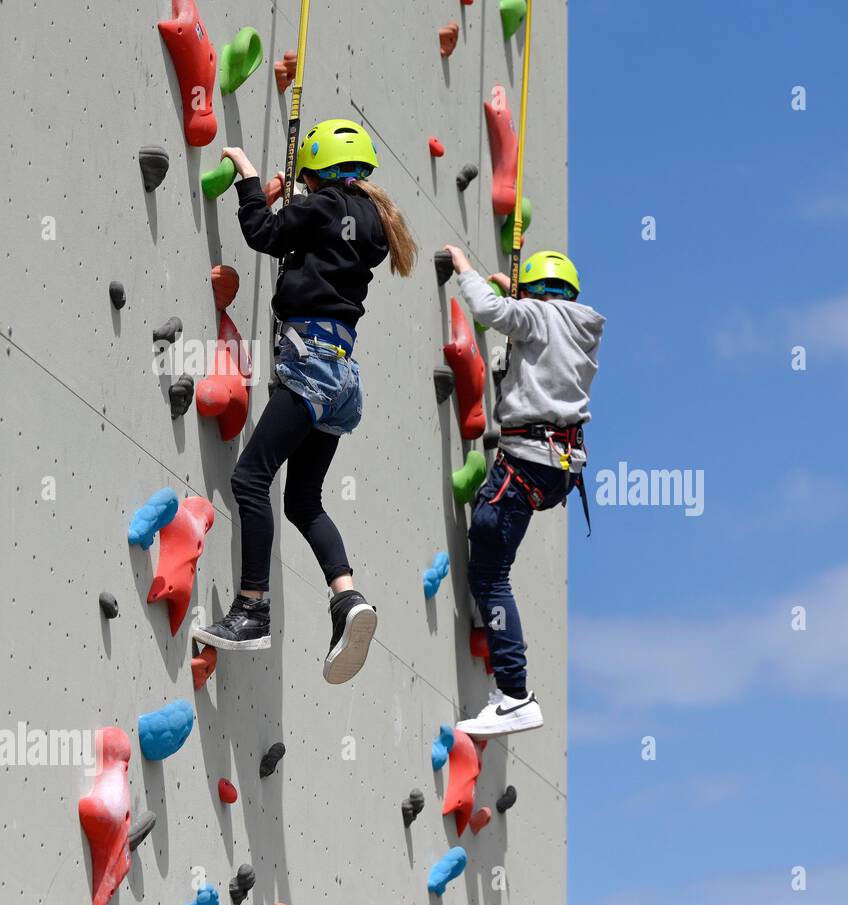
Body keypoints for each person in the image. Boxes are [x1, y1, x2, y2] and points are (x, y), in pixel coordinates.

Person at [192, 121, 416, 684]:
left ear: (315, 172)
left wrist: (248, 179)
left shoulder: (321, 208)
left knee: (249, 479)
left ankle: (252, 608)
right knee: (304, 502)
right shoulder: (372, 221)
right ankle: (346, 598)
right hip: (342, 376)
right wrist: (297, 201)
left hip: (310, 361)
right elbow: (318, 240)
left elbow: (263, 235)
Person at [443, 246, 604, 736]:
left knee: (490, 572)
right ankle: (493, 633)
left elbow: (491, 313)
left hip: (525, 460)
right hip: (557, 466)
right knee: (492, 565)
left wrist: (464, 270)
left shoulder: (535, 316)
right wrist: (520, 297)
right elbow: (533, 340)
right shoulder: (579, 327)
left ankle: (515, 694)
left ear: (533, 294)